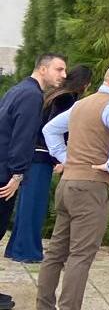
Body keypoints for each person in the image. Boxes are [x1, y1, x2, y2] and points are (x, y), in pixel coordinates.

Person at [37, 62, 109, 310]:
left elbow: (50, 129)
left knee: (55, 253)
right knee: (80, 256)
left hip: (68, 184)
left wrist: (65, 159)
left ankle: (44, 306)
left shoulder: (81, 104)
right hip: (91, 188)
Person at [0, 52, 69, 309]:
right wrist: (18, 174)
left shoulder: (18, 90)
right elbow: (22, 137)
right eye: (59, 69)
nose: (63, 75)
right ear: (42, 69)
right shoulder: (31, 96)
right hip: (5, 173)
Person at [6, 64, 91, 264]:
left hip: (33, 154)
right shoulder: (67, 99)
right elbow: (53, 128)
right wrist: (58, 157)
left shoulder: (54, 94)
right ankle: (27, 251)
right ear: (85, 83)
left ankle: (18, 247)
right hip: (41, 155)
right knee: (34, 205)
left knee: (27, 204)